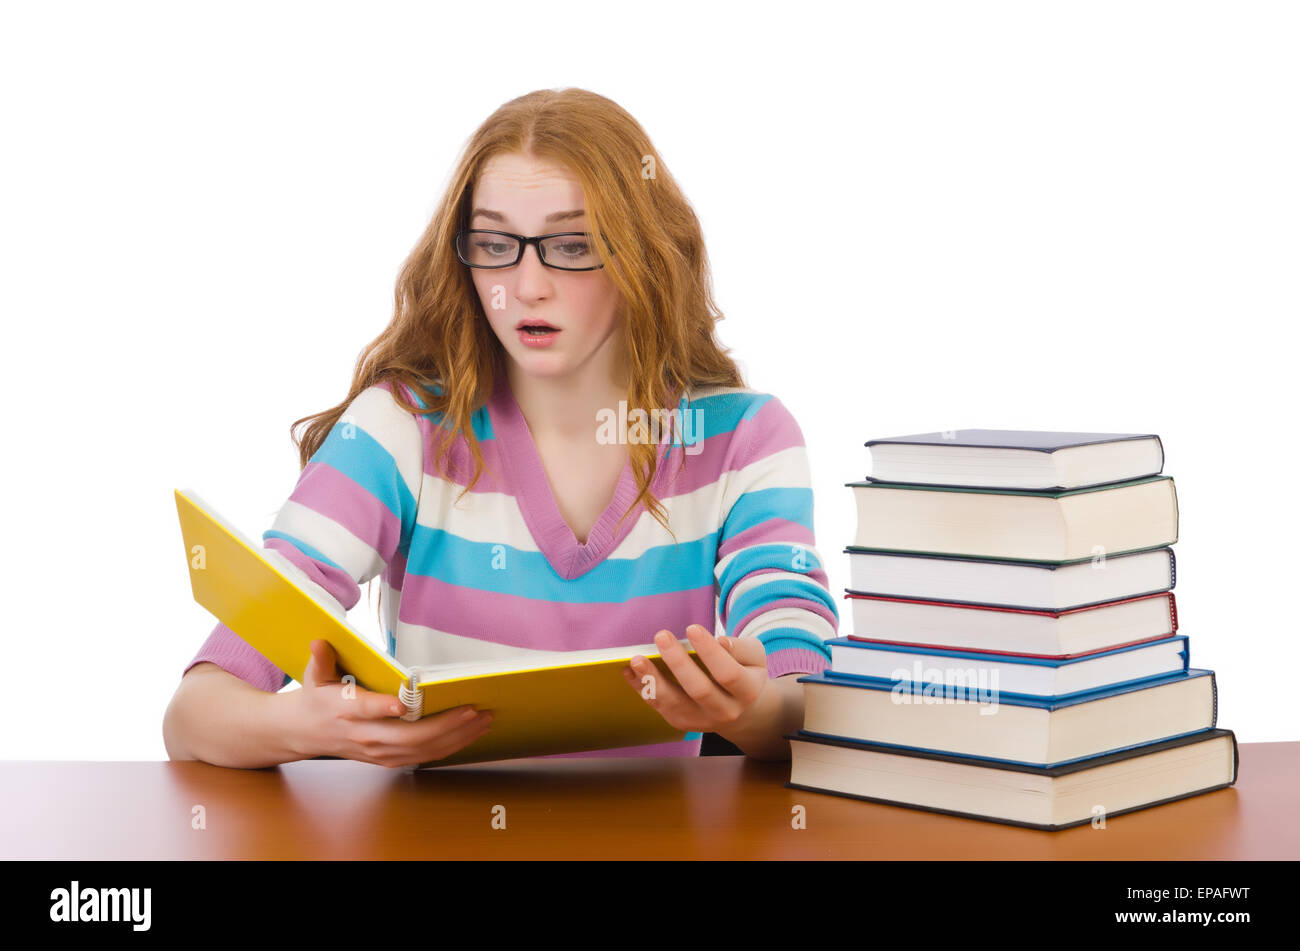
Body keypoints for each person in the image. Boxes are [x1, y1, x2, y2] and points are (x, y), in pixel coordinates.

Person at [163, 87, 838, 770]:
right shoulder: (402, 429)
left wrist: (753, 709)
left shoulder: (745, 440)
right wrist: (310, 729)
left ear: (645, 253)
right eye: (494, 244)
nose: (524, 286)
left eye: (572, 245)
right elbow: (194, 717)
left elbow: (807, 693)